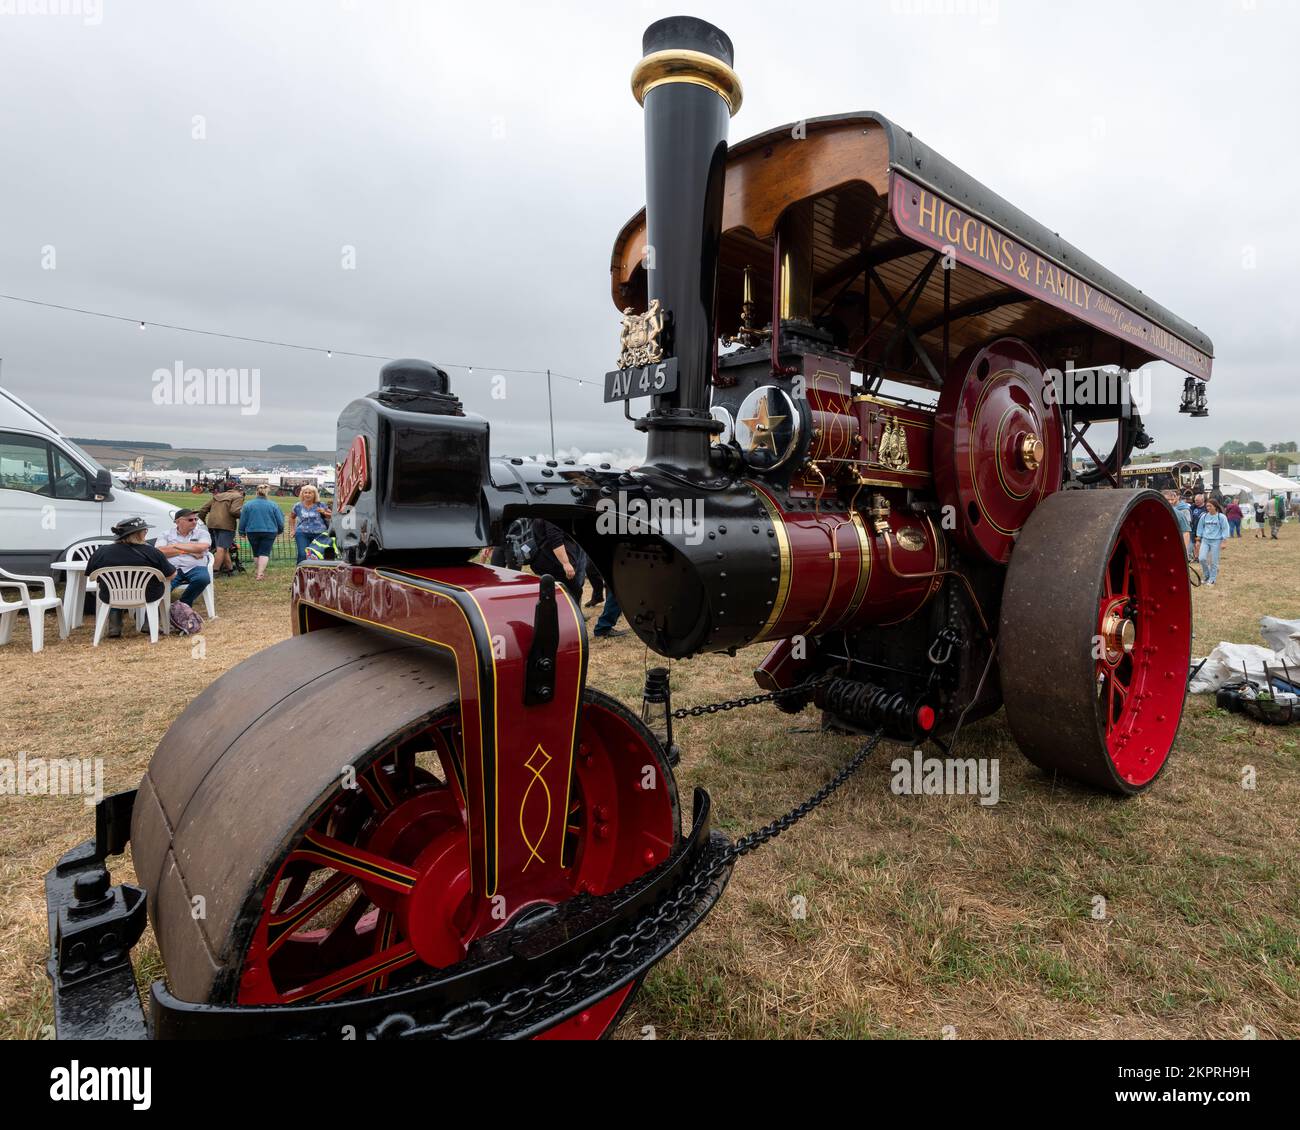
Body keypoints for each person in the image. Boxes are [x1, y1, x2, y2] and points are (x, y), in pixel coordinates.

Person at [85, 516, 176, 638]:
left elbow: (92, 574)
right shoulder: (152, 552)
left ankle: (114, 627)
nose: (146, 533)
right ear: (139, 534)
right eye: (145, 530)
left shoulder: (102, 551)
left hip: (111, 596)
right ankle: (149, 625)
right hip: (147, 596)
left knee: (115, 587)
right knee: (158, 589)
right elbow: (171, 574)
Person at [156, 508, 213, 608]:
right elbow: (160, 551)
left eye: (195, 519)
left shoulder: (202, 533)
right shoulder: (165, 534)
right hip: (171, 567)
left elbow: (201, 547)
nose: (194, 522)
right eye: (190, 520)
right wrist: (189, 550)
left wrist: (174, 546)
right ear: (178, 522)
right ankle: (156, 610)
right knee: (162, 587)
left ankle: (183, 604)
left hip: (195, 566)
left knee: (203, 579)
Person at [528, 519, 586, 603]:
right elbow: (555, 538)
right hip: (554, 563)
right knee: (573, 593)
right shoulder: (551, 512)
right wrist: (566, 563)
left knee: (554, 594)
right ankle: (570, 615)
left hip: (545, 561)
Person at [197, 481, 244, 576]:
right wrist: (244, 516)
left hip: (212, 525)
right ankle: (214, 572)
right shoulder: (238, 497)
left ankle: (230, 570)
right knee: (221, 549)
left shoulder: (218, 496)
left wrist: (204, 522)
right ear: (241, 492)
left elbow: (202, 510)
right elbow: (234, 511)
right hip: (226, 526)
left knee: (224, 548)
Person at [238, 484, 285, 580]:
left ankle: (259, 571)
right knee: (264, 552)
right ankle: (260, 573)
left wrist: (241, 531)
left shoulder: (248, 504)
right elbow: (280, 520)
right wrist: (280, 530)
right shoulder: (273, 505)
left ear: (256, 492)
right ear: (268, 492)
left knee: (256, 552)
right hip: (269, 531)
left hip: (252, 531)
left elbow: (243, 519)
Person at [288, 485, 332, 563]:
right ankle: (301, 571)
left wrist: (324, 512)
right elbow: (292, 517)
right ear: (302, 494)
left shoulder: (321, 505)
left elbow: (332, 516)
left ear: (314, 494)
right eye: (305, 493)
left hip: (319, 534)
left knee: (317, 554)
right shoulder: (298, 506)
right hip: (302, 533)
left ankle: (317, 571)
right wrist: (292, 530)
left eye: (310, 493)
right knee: (302, 554)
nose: (307, 494)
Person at [1197, 499, 1230, 586]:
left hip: (1216, 541)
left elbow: (1225, 529)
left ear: (1215, 506)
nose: (1208, 508)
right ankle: (1207, 576)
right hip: (1205, 540)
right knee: (1202, 558)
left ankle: (1212, 579)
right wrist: (1198, 540)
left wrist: (1224, 541)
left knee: (1213, 561)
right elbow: (1200, 528)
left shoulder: (1221, 517)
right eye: (1207, 506)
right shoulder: (1204, 516)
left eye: (1210, 506)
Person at [1171, 491, 1193, 560]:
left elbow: (1186, 526)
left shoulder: (1184, 509)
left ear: (1178, 497)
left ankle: (1188, 556)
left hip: (1181, 534)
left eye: (1172, 499)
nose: (1170, 501)